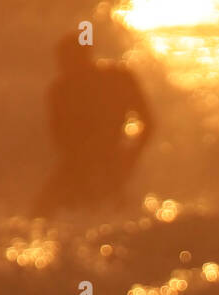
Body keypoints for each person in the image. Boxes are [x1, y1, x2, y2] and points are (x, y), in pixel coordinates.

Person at [33, 33, 154, 216]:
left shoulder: (118, 79)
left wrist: (131, 157)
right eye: (63, 61)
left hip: (111, 160)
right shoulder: (60, 91)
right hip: (78, 163)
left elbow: (148, 122)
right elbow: (60, 139)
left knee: (113, 210)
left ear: (86, 57)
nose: (64, 67)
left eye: (70, 60)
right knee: (42, 210)